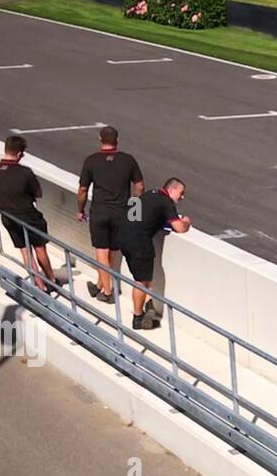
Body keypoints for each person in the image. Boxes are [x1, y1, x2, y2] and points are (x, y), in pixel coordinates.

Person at [76, 126, 143, 304]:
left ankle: (107, 291)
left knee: (101, 251)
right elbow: (139, 187)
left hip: (99, 212)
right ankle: (99, 284)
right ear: (117, 140)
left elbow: (83, 190)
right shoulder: (128, 160)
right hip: (120, 212)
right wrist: (134, 211)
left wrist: (80, 210)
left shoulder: (91, 161)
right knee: (112, 250)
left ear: (100, 139)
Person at [117, 178, 191, 330]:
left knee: (144, 276)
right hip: (140, 242)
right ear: (172, 190)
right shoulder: (166, 202)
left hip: (124, 237)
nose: (181, 197)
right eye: (181, 193)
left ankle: (149, 304)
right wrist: (187, 221)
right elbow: (179, 228)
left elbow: (134, 214)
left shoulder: (149, 194)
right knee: (141, 281)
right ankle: (138, 317)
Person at [0, 135, 57, 292]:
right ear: (19, 154)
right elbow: (38, 193)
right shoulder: (25, 172)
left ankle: (39, 284)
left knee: (25, 251)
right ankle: (51, 280)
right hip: (28, 217)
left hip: (7, 216)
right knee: (40, 248)